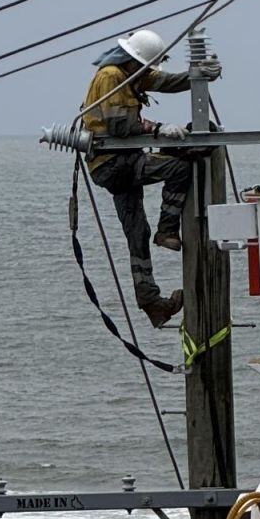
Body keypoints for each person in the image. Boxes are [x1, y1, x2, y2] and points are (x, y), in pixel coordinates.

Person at [79, 28, 220, 329]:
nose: (149, 72)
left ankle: (152, 304)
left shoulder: (132, 75)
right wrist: (156, 129)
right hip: (114, 164)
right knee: (178, 168)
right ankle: (166, 230)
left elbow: (166, 81)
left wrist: (198, 75)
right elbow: (119, 125)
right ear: (135, 60)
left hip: (118, 164)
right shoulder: (111, 77)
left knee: (136, 234)